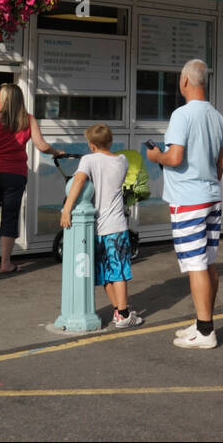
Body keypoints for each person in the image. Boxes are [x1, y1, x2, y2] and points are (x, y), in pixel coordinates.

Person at [146, 59, 223, 350]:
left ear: (184, 82)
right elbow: (222, 162)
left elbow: (175, 157)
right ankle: (202, 322)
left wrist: (157, 157)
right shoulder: (217, 117)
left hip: (188, 200)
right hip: (212, 196)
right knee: (208, 261)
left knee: (196, 265)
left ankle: (205, 332)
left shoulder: (181, 115)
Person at [59, 123, 141, 329]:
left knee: (105, 271)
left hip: (97, 227)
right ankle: (122, 314)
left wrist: (66, 209)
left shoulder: (88, 159)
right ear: (110, 141)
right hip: (116, 224)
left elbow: (77, 182)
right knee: (119, 270)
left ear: (91, 144)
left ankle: (118, 310)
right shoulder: (122, 160)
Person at [0, 83, 65, 274]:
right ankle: (5, 263)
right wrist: (56, 151)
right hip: (15, 175)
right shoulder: (27, 120)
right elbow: (41, 146)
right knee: (9, 218)